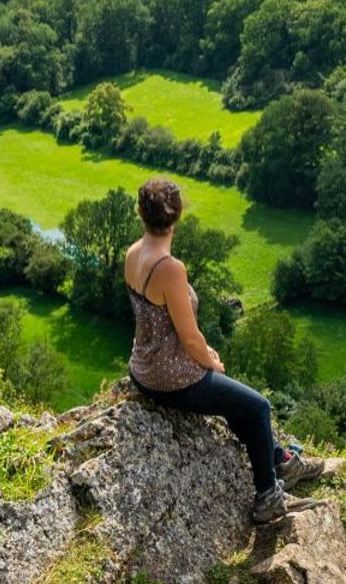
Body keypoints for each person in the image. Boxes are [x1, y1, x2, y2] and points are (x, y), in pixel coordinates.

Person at [124, 176, 323, 522]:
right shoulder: (170, 268)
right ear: (178, 215)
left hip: (142, 367)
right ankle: (268, 497)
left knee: (236, 402)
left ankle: (280, 460)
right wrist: (210, 361)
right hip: (170, 377)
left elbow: (162, 325)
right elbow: (188, 338)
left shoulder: (134, 254)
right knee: (258, 406)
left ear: (140, 212)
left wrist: (203, 351)